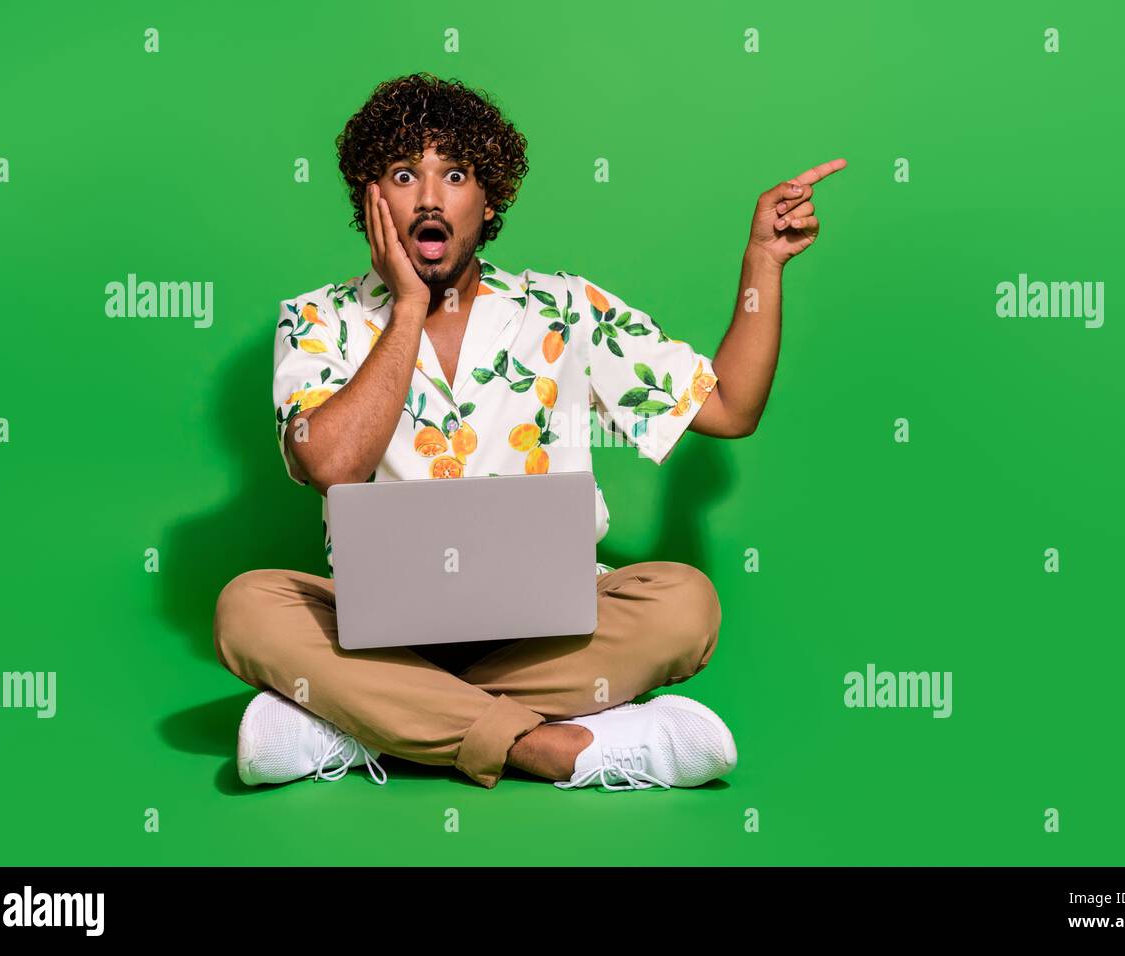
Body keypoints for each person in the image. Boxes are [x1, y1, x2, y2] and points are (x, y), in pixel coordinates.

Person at [213, 71, 845, 792]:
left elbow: (731, 407)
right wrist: (409, 312)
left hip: (546, 640)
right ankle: (553, 746)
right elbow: (333, 464)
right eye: (401, 173)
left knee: (685, 603)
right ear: (369, 196)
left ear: (490, 201)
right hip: (380, 637)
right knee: (247, 610)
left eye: (454, 173)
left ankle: (363, 723)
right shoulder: (317, 319)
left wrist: (763, 260)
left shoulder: (565, 309)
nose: (427, 197)